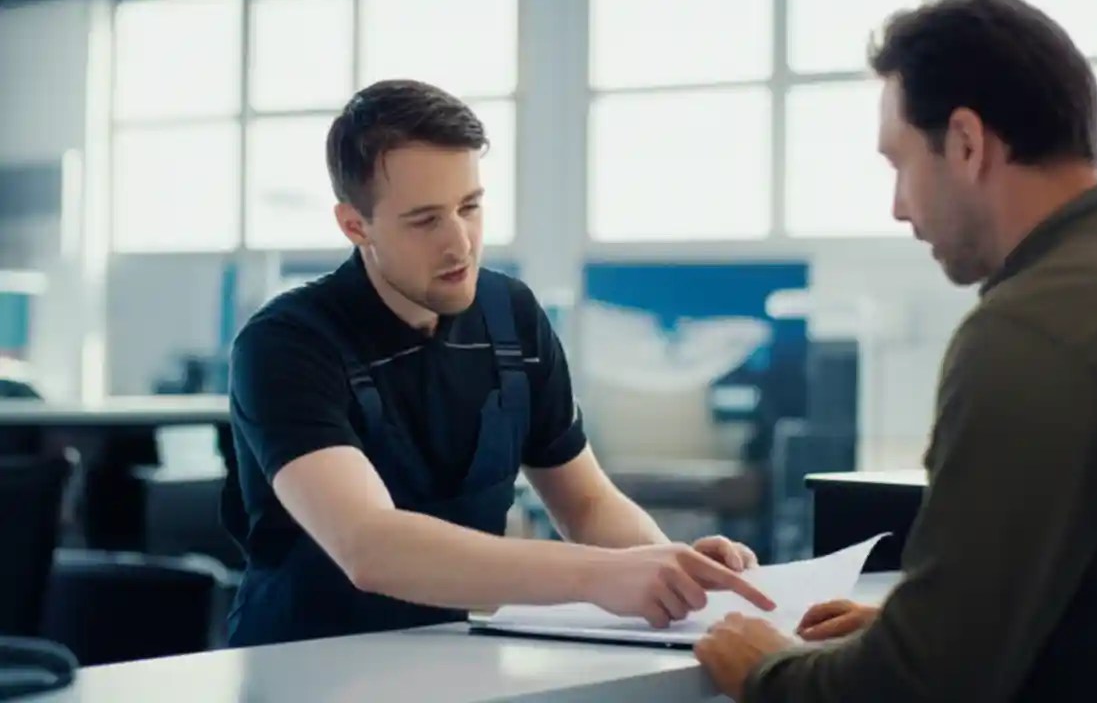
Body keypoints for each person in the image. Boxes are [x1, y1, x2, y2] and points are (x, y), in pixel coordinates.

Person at [694, 0, 1097, 703]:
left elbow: (920, 688)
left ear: (967, 143)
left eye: (899, 163)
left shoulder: (1038, 328)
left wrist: (765, 669)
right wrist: (931, 622)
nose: (900, 207)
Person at [221, 79, 774, 647]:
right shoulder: (285, 345)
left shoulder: (511, 316)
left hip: (453, 659)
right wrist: (597, 575)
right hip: (300, 667)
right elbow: (370, 545)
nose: (460, 243)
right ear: (354, 225)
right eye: (425, 220)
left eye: (470, 206)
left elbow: (585, 503)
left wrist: (673, 571)